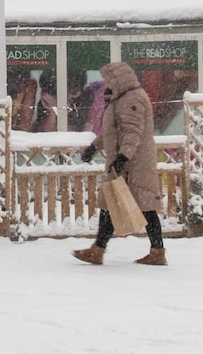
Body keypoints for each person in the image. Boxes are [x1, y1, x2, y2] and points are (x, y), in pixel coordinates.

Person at [71, 61, 167, 266]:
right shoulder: (120, 99)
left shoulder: (132, 99)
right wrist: (94, 147)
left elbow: (133, 132)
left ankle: (155, 252)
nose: (106, 84)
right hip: (125, 164)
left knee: (145, 207)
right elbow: (113, 131)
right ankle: (100, 249)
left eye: (109, 80)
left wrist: (123, 157)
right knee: (113, 204)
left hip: (133, 165)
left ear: (118, 79)